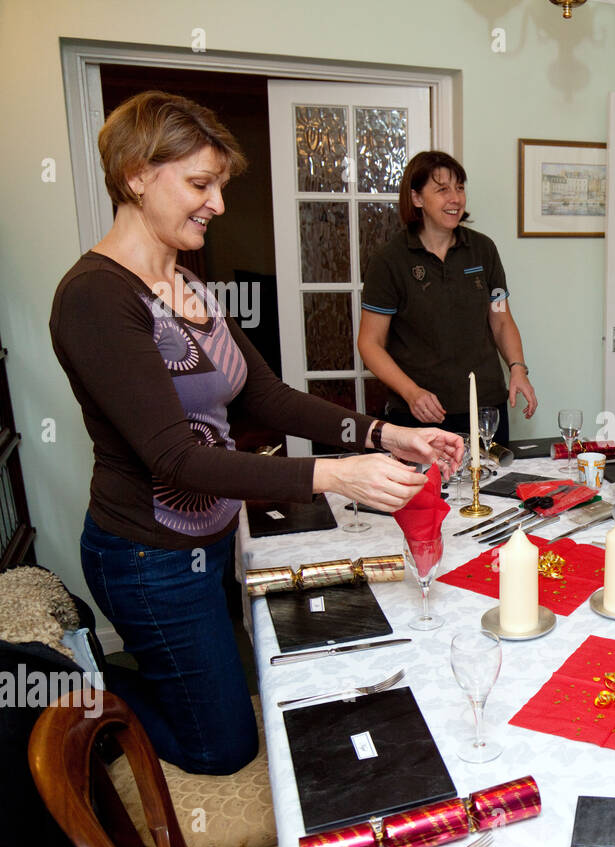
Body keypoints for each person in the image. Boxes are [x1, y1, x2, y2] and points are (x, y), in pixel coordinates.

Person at [50, 92, 463, 775]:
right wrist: (334, 474)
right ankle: (90, 697)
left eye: (219, 186)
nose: (216, 203)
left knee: (233, 695)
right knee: (226, 748)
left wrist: (383, 434)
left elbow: (265, 396)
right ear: (134, 174)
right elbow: (178, 459)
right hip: (148, 558)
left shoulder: (184, 281)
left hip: (209, 542)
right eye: (199, 184)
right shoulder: (97, 296)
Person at [358, 151, 537, 445]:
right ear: (417, 198)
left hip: (485, 410)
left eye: (460, 188)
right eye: (442, 189)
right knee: (425, 491)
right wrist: (410, 392)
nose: (455, 198)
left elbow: (501, 320)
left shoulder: (483, 250)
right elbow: (370, 342)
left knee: (491, 489)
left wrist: (518, 368)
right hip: (419, 414)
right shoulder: (389, 260)